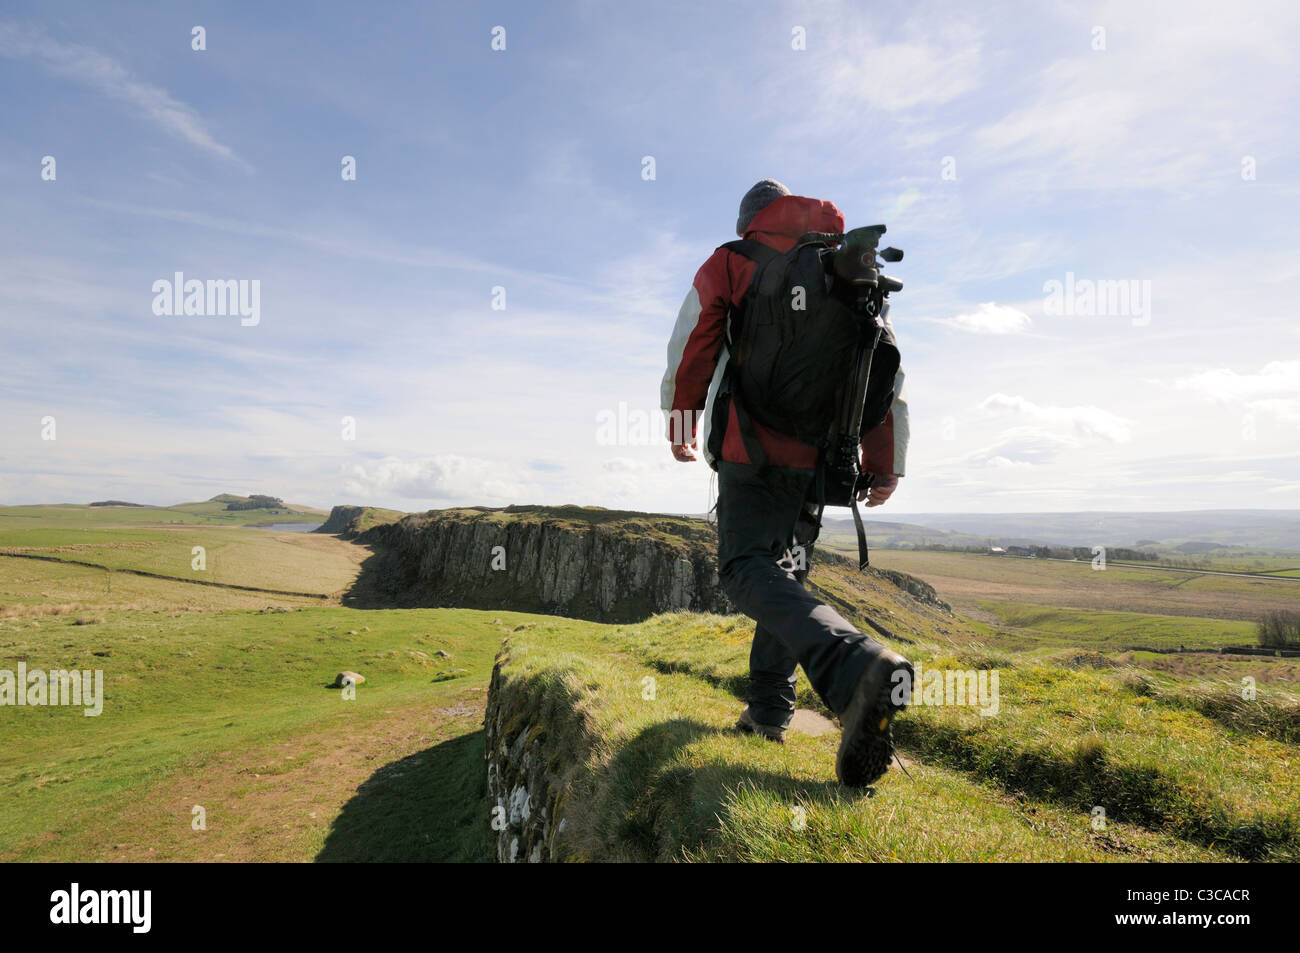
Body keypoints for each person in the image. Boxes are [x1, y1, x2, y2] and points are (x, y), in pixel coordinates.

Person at [660, 179, 914, 787]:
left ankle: (856, 666)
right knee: (785, 574)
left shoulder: (732, 260)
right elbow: (881, 366)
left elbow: (694, 341)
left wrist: (680, 417)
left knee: (746, 567)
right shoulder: (851, 265)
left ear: (750, 219)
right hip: (821, 462)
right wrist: (886, 461)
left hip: (750, 448)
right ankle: (771, 709)